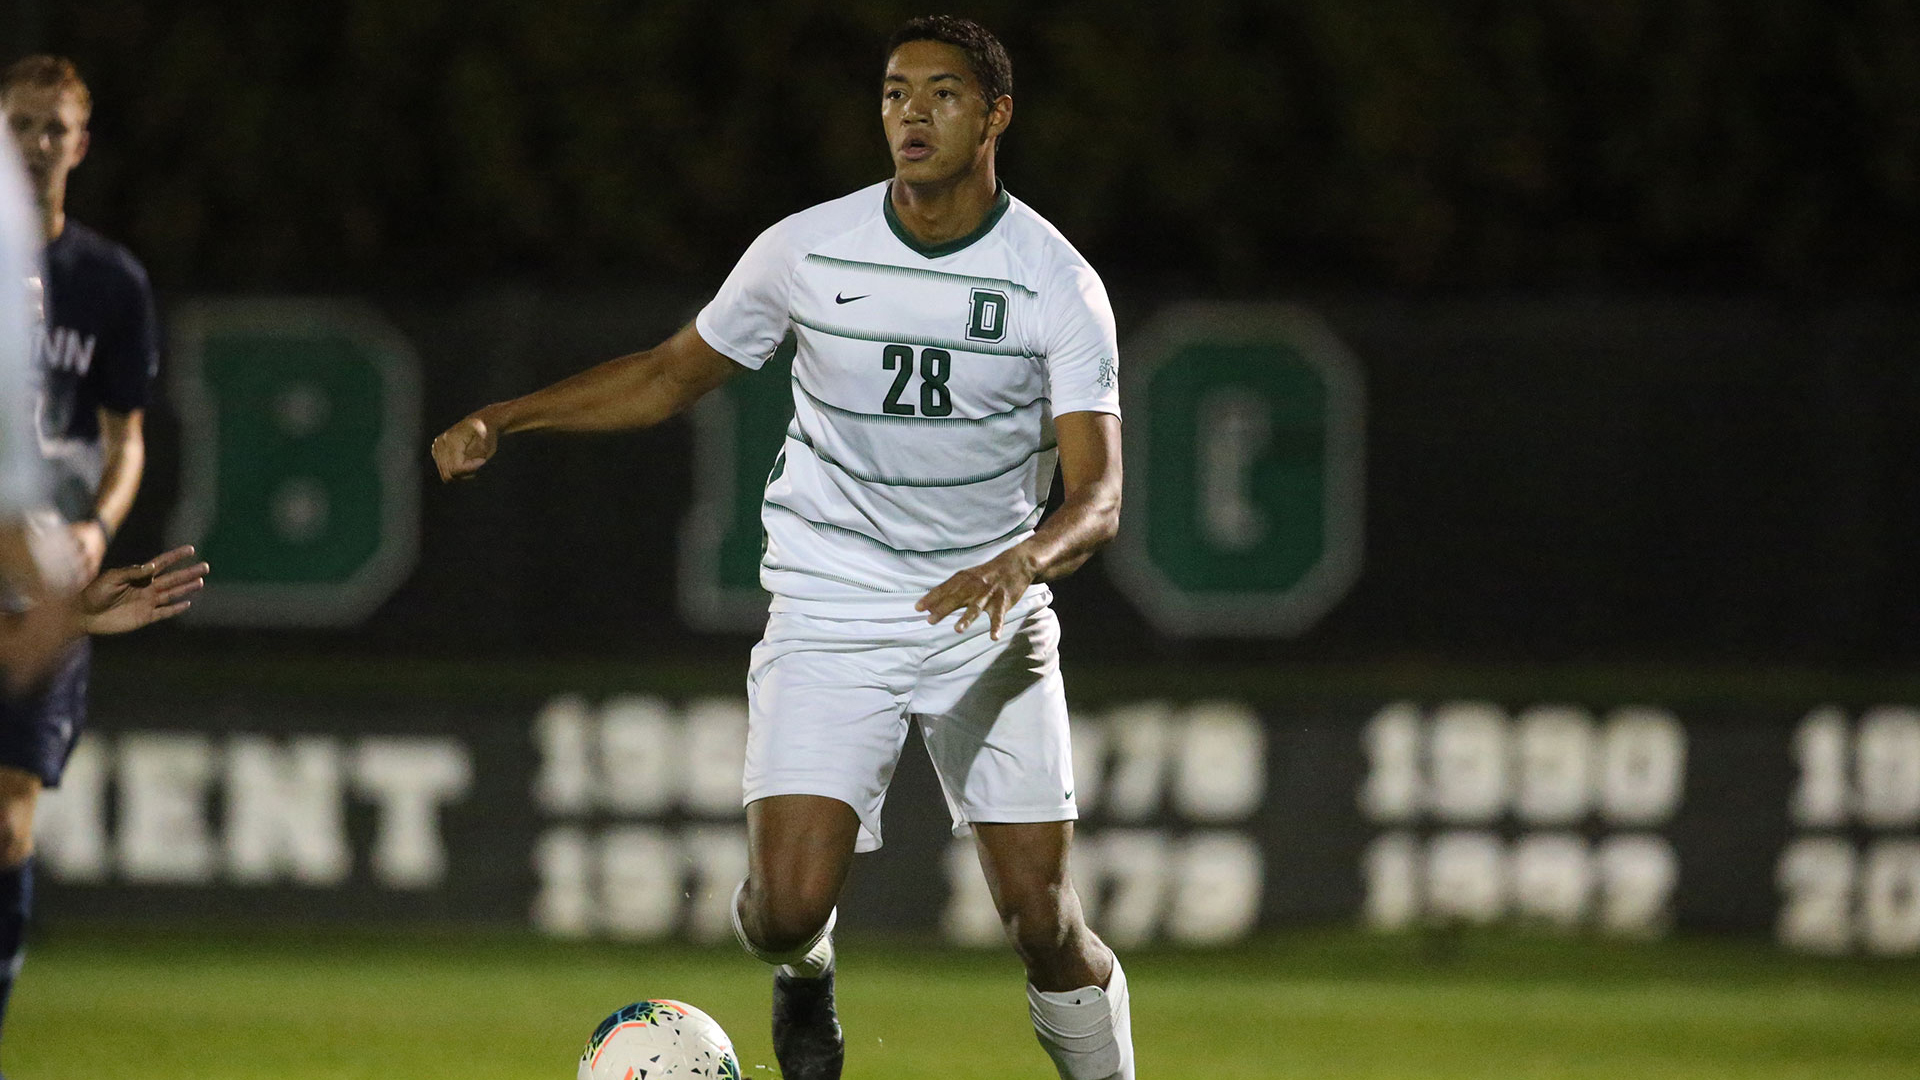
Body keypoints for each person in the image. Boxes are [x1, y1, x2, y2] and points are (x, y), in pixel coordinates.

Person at [433, 16, 1132, 1080]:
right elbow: (673, 372)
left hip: (991, 613)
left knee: (1041, 920)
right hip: (833, 600)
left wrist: (1026, 561)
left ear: (995, 115)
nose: (911, 113)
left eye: (943, 94)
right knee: (780, 911)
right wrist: (507, 418)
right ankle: (806, 974)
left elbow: (1100, 495)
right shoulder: (808, 248)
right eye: (896, 92)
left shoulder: (1058, 282)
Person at [0, 56, 172, 1075]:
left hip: (49, 580)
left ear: (82, 139)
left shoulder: (107, 284)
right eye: (21, 124)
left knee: (9, 818)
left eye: (55, 127)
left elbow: (127, 437)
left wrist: (97, 537)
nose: (38, 142)